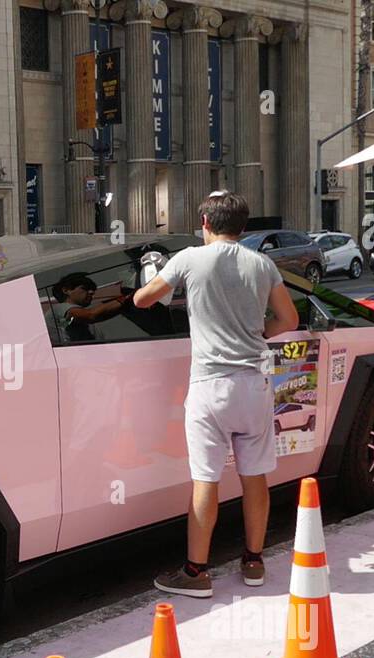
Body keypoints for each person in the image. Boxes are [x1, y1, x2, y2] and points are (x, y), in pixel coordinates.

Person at [133, 190, 300, 598]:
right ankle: (254, 561)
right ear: (243, 229)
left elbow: (143, 299)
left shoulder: (189, 259)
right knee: (254, 475)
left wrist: (150, 274)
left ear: (205, 223)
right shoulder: (262, 265)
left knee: (206, 479)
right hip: (254, 385)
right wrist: (258, 334)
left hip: (210, 386)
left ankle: (196, 572)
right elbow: (289, 318)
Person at [48, 272, 127, 342]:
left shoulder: (80, 313)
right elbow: (91, 315)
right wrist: (127, 299)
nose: (91, 292)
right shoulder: (60, 308)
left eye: (92, 290)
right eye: (85, 288)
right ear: (66, 290)